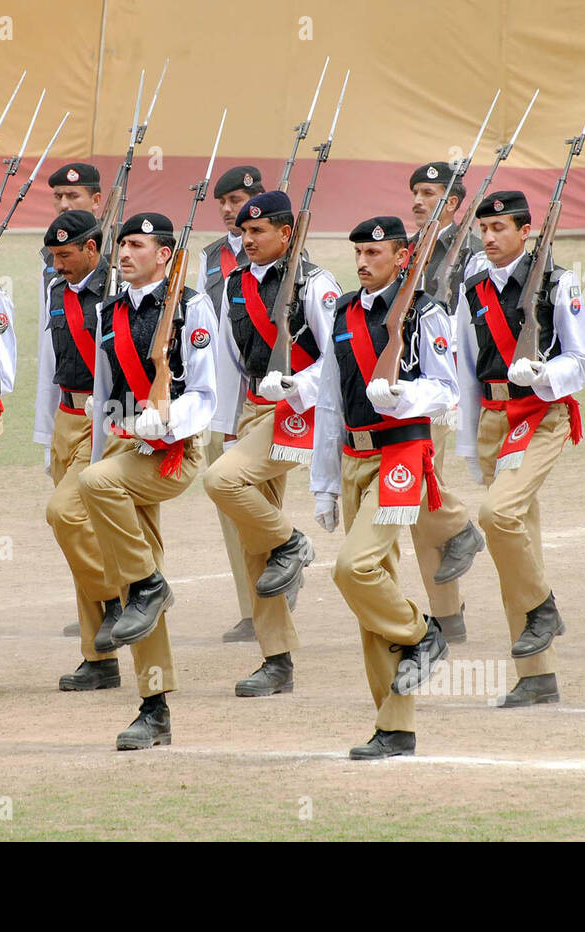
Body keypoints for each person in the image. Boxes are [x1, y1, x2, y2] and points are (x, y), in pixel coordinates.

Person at [312, 216, 456, 759]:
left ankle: (423, 632)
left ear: (401, 257)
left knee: (355, 569)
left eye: (374, 252)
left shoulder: (426, 312)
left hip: (400, 454)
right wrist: (324, 482)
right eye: (358, 253)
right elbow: (329, 398)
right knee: (372, 595)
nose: (363, 261)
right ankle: (394, 726)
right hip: (352, 456)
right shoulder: (344, 311)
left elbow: (446, 391)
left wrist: (403, 398)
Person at [77, 211, 218, 749]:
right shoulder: (109, 311)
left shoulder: (190, 307)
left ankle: (149, 587)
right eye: (123, 244)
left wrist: (166, 419)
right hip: (126, 446)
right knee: (130, 575)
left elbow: (205, 394)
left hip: (173, 450)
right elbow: (104, 391)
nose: (124, 252)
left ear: (164, 254)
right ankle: (153, 707)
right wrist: (104, 449)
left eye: (137, 244)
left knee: (97, 491)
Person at [454, 190, 585, 708]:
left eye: (500, 229)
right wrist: (469, 444)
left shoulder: (558, 282)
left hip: (540, 416)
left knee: (497, 514)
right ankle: (536, 674)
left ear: (525, 231)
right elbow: (468, 370)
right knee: (515, 540)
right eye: (483, 229)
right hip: (493, 419)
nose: (489, 238)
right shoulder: (472, 289)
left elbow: (582, 362)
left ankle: (543, 608)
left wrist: (543, 374)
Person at [204, 190, 337, 697]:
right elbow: (228, 358)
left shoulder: (314, 283)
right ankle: (276, 659)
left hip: (301, 411)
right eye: (243, 231)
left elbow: (337, 354)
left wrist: (299, 387)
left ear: (286, 233)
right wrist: (225, 426)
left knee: (222, 480)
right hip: (255, 414)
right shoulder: (235, 284)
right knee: (252, 539)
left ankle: (292, 541)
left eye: (258, 231)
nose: (248, 239)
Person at [35, 210, 123, 690]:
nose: (58, 265)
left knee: (65, 514)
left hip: (106, 419)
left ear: (92, 249)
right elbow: (51, 362)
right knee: (76, 538)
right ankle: (98, 657)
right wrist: (45, 431)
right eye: (53, 256)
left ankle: (120, 598)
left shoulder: (116, 289)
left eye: (66, 255)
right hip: (66, 420)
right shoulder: (55, 292)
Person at [404, 161, 487, 642]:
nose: (418, 200)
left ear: (453, 203)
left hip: (443, 385)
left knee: (414, 486)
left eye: (429, 193)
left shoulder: (472, 254)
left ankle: (460, 526)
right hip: (408, 386)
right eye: (414, 191)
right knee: (417, 504)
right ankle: (447, 615)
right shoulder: (409, 249)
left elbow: (471, 327)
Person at [195, 164, 264, 642]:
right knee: (226, 498)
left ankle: (276, 573)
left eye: (236, 200)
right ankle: (250, 606)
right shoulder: (211, 258)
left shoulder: (286, 254)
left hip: (269, 392)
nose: (226, 209)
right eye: (221, 201)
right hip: (224, 395)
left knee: (256, 492)